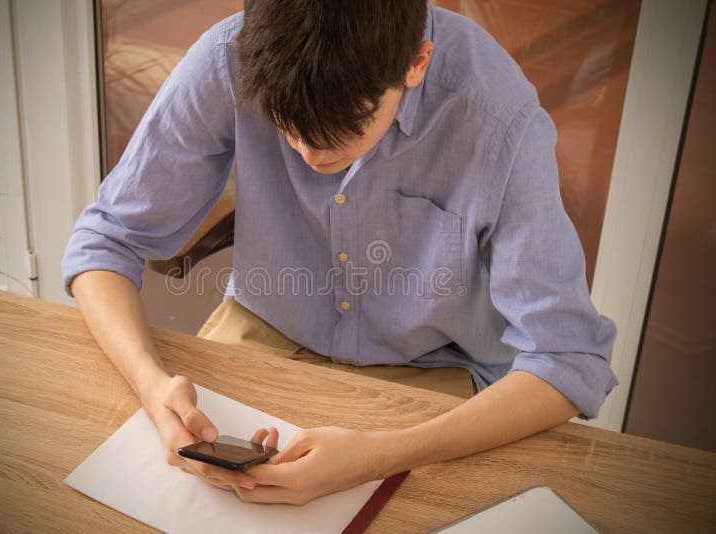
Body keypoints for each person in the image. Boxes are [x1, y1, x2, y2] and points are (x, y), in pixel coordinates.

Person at [62, 0, 617, 505]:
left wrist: (380, 456)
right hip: (268, 330)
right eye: (288, 129)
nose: (307, 154)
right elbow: (106, 239)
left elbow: (568, 360)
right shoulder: (229, 56)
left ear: (416, 64)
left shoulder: (497, 116)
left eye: (338, 132)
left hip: (436, 370)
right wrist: (151, 385)